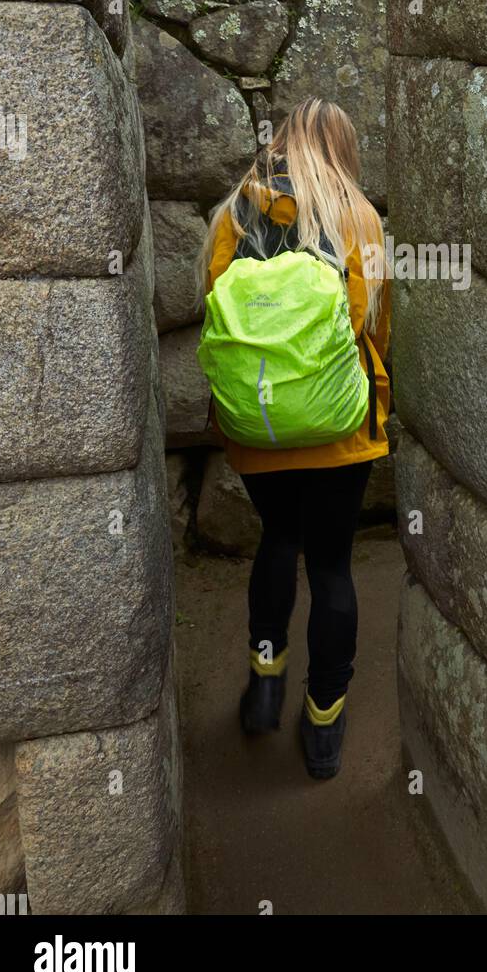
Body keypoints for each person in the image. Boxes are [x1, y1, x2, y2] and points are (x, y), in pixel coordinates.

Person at [197, 98, 391, 779]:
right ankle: (324, 725)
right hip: (337, 432)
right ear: (340, 147)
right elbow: (368, 320)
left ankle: (266, 680)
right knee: (332, 567)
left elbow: (217, 312)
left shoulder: (234, 213)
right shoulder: (359, 218)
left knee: (278, 539)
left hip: (259, 427)